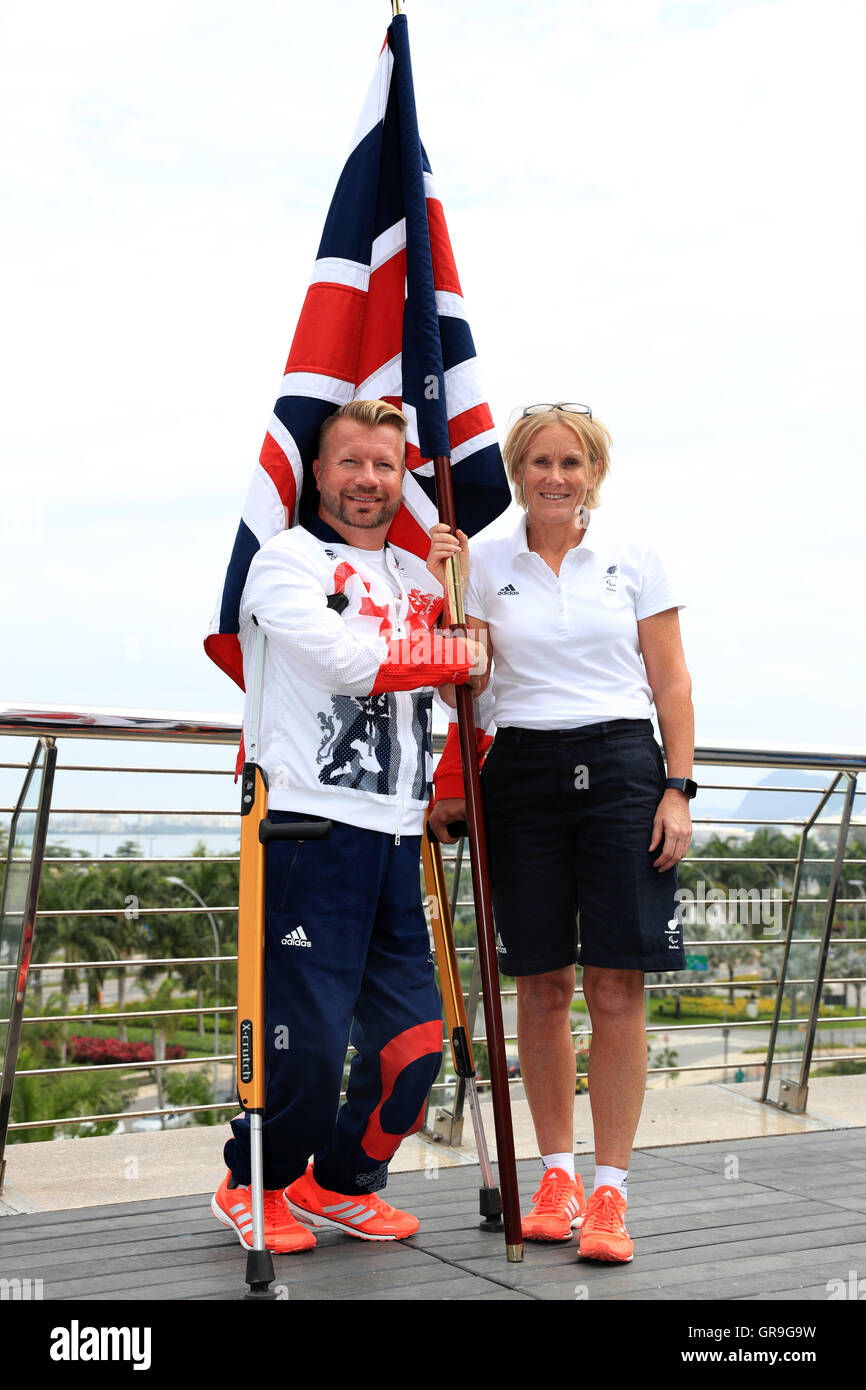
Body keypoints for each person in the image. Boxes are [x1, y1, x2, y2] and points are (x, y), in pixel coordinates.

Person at [211, 399, 481, 1254]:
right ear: (319, 472)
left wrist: (456, 609)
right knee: (310, 1044)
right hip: (305, 828)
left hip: (400, 833)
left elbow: (456, 688)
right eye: (352, 462)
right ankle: (255, 1181)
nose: (370, 480)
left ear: (403, 479)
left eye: (385, 466)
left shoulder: (412, 574)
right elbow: (344, 662)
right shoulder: (285, 562)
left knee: (417, 1047)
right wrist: (453, 652)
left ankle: (340, 1181)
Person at [427, 402, 695, 1264]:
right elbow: (455, 689)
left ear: (594, 474)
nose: (554, 476)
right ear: (516, 473)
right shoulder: (484, 559)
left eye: (571, 462)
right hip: (524, 773)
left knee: (616, 987)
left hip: (622, 768)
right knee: (541, 985)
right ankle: (554, 1176)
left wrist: (677, 790)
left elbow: (673, 685)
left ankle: (610, 1192)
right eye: (539, 461)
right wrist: (449, 597)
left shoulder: (636, 558)